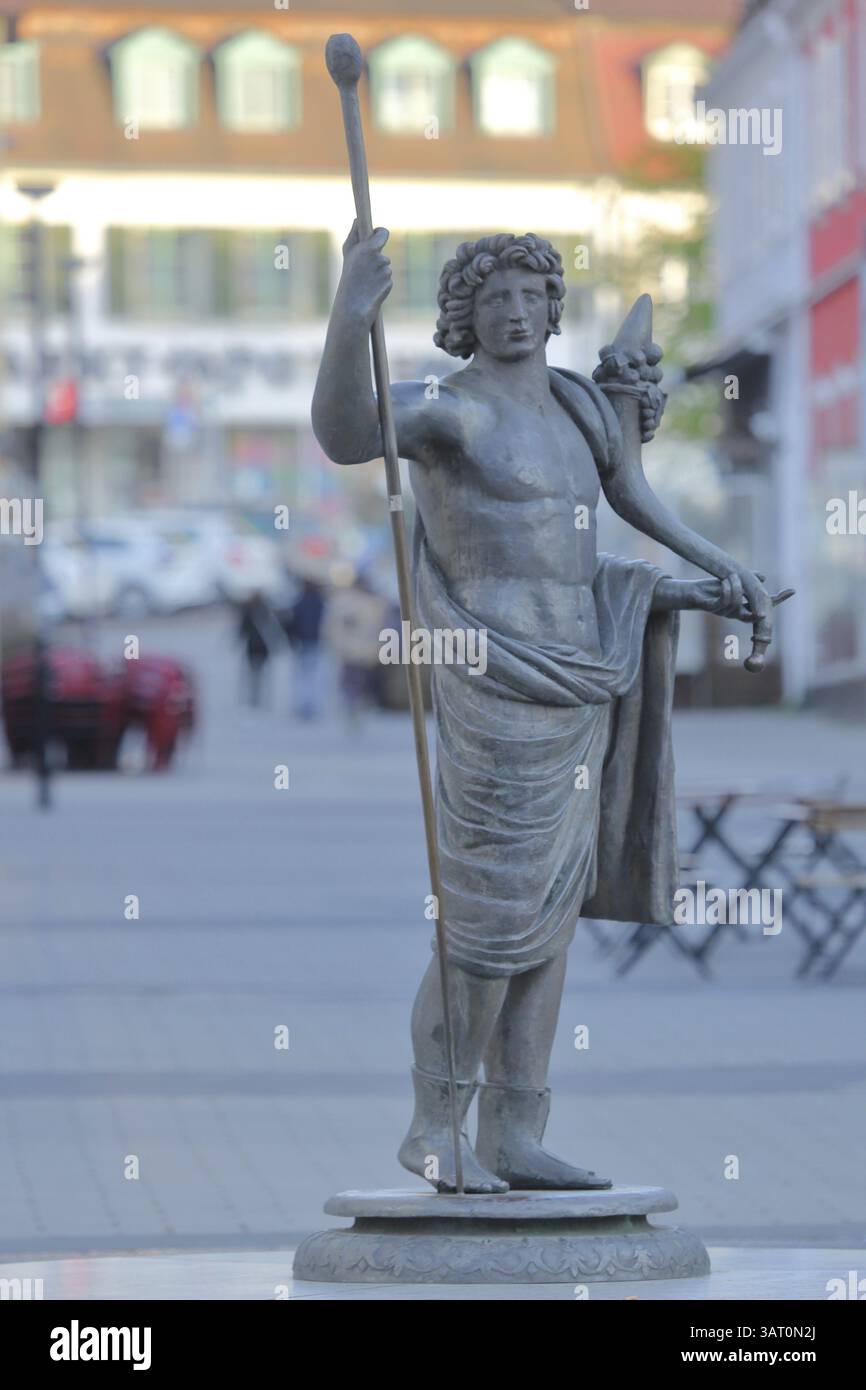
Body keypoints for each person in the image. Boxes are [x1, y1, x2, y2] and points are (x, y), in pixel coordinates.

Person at [312, 224, 790, 1193]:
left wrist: (705, 579)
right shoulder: (448, 412)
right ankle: (432, 1120)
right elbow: (345, 433)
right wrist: (347, 312)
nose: (517, 313)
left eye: (532, 298)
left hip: (581, 674)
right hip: (494, 682)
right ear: (465, 316)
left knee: (551, 911)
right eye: (495, 301)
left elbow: (619, 520)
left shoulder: (577, 407)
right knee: (486, 921)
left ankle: (513, 1128)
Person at [323, 574, 387, 725]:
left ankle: (354, 703)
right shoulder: (369, 603)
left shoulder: (359, 603)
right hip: (359, 651)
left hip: (356, 651)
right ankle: (354, 704)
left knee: (354, 680)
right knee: (356, 680)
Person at [282, 577, 326, 720]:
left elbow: (290, 623)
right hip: (314, 643)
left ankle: (301, 705)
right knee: (312, 677)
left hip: (302, 643)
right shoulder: (321, 604)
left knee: (301, 677)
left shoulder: (298, 603)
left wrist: (291, 640)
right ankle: (309, 706)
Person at [237, 590, 274, 707]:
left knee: (254, 674)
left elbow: (243, 630)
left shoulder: (249, 611)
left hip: (253, 647)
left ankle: (255, 696)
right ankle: (260, 696)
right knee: (261, 674)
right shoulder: (266, 610)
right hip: (263, 647)